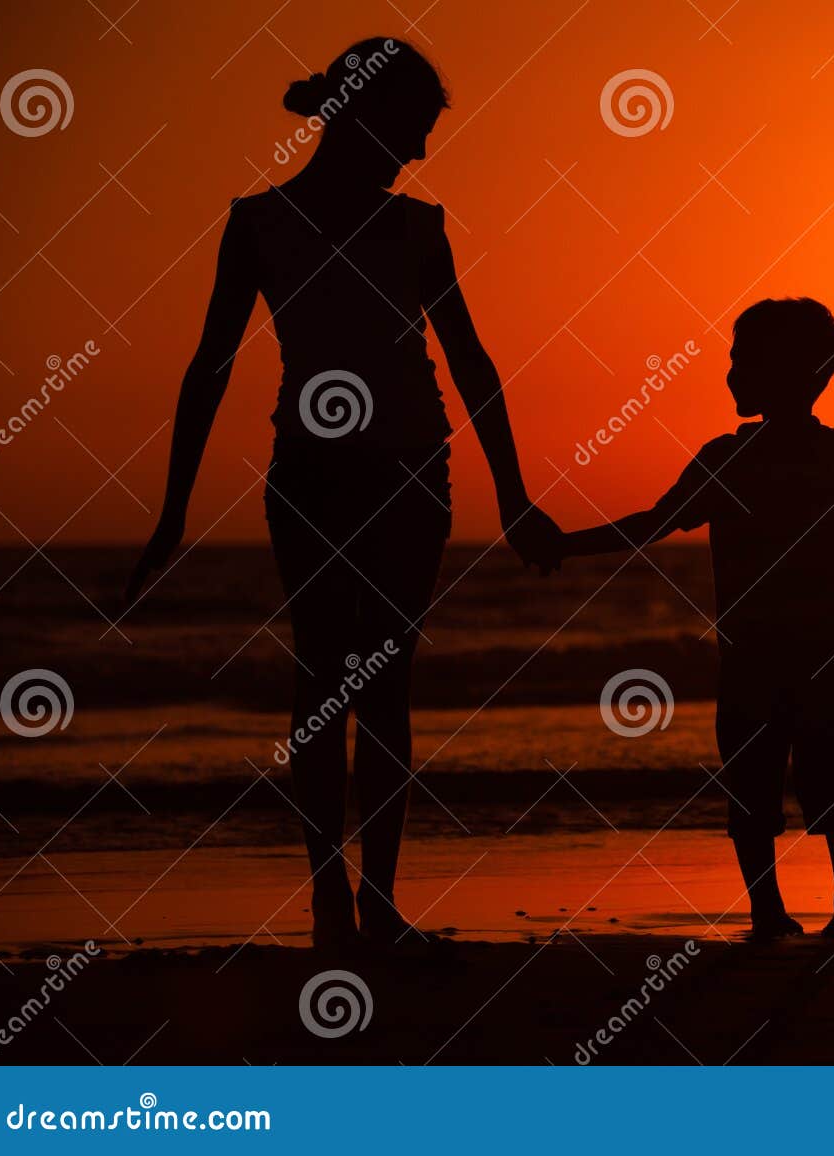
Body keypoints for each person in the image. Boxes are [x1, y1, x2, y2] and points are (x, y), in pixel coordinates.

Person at [125, 37, 560, 950]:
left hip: (409, 468)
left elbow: (471, 365)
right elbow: (209, 366)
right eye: (415, 129)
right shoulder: (257, 222)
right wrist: (171, 510)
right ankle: (333, 895)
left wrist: (515, 496)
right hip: (318, 474)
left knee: (373, 680)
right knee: (330, 679)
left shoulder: (417, 227)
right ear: (368, 116)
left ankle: (374, 899)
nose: (422, 154)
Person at [559, 298, 834, 942]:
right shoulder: (832, 454)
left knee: (757, 780)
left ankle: (776, 912)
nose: (731, 374)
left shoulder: (732, 459)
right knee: (832, 778)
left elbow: (650, 526)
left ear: (787, 371)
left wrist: (563, 545)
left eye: (741, 360)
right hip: (821, 652)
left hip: (761, 654)